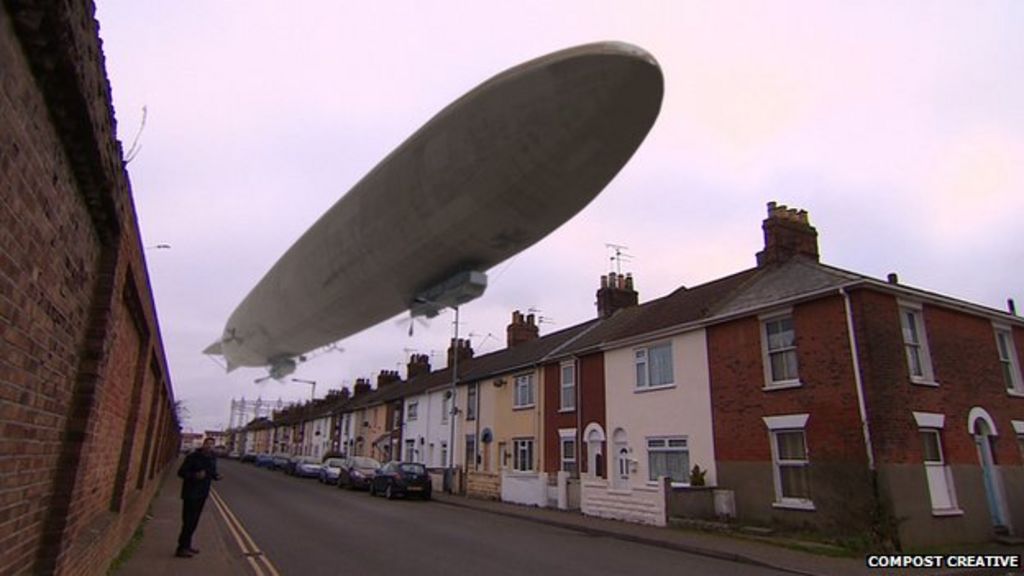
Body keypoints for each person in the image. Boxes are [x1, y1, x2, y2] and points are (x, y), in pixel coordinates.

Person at [176, 437, 221, 558]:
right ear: (203, 444)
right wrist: (195, 475)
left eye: (212, 444)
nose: (209, 446)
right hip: (191, 493)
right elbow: (181, 473)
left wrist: (216, 476)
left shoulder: (212, 458)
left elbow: (211, 472)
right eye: (208, 444)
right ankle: (181, 548)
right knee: (188, 521)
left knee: (194, 522)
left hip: (202, 493)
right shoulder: (193, 457)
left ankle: (187, 545)